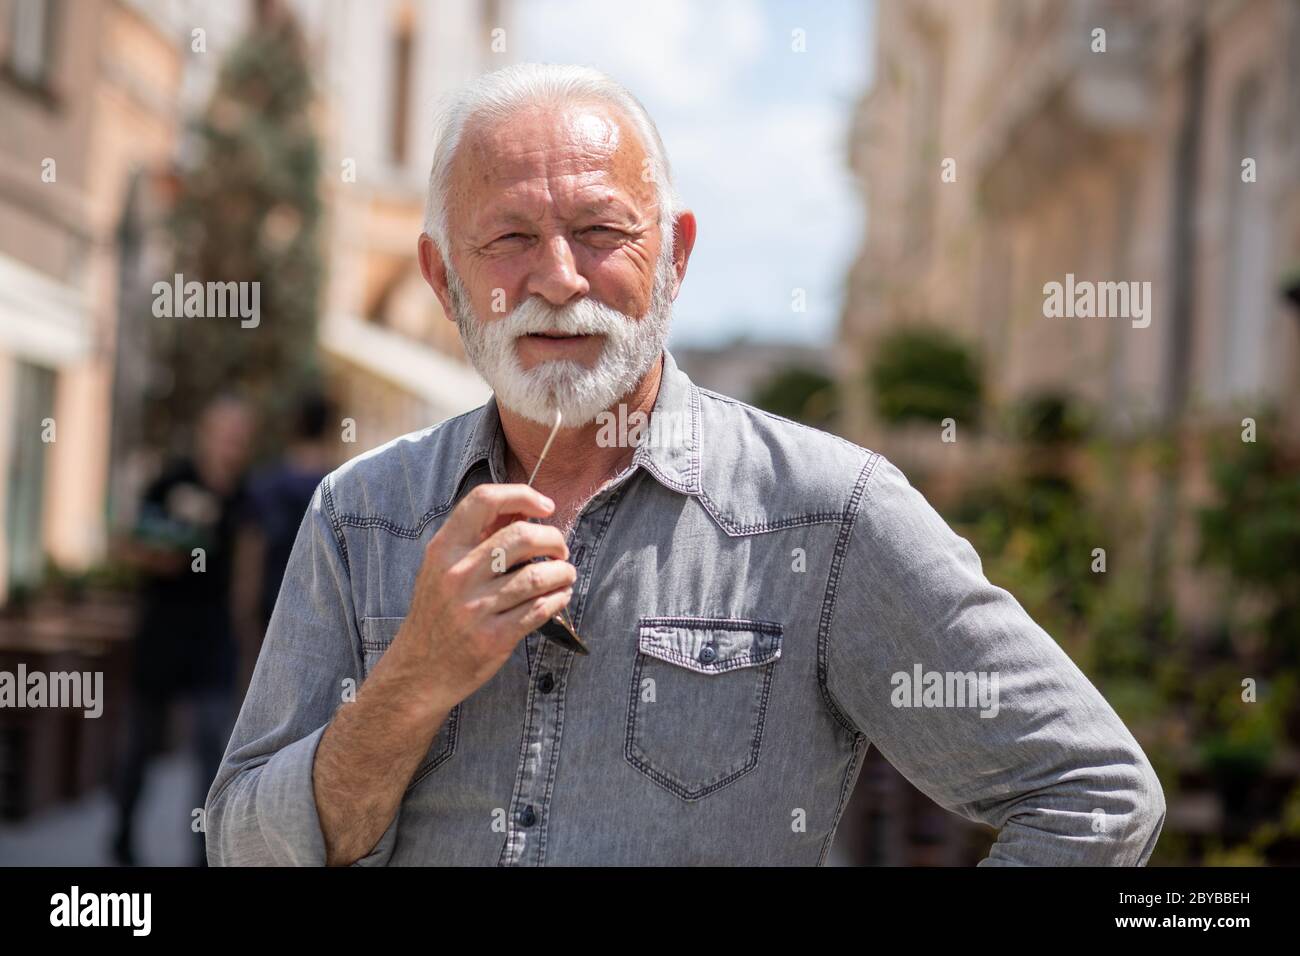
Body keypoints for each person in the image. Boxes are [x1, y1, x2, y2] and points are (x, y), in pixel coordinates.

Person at [206, 64, 1165, 866]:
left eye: (601, 231)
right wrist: (413, 679)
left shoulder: (828, 514)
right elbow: (242, 846)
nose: (559, 278)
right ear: (442, 278)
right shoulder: (360, 514)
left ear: (675, 255)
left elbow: (1094, 795)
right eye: (508, 238)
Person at [112, 394, 253, 866]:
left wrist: (245, 634)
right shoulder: (170, 482)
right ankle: (122, 835)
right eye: (225, 434)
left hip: (212, 638)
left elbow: (246, 576)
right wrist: (160, 556)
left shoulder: (243, 498)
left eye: (239, 437)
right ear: (205, 435)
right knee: (140, 743)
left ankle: (202, 851)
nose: (231, 446)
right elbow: (128, 543)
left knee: (211, 750)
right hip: (162, 631)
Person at [232, 391, 337, 696]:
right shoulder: (342, 485)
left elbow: (250, 559)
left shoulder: (265, 485)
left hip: (270, 615)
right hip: (323, 621)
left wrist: (243, 620)